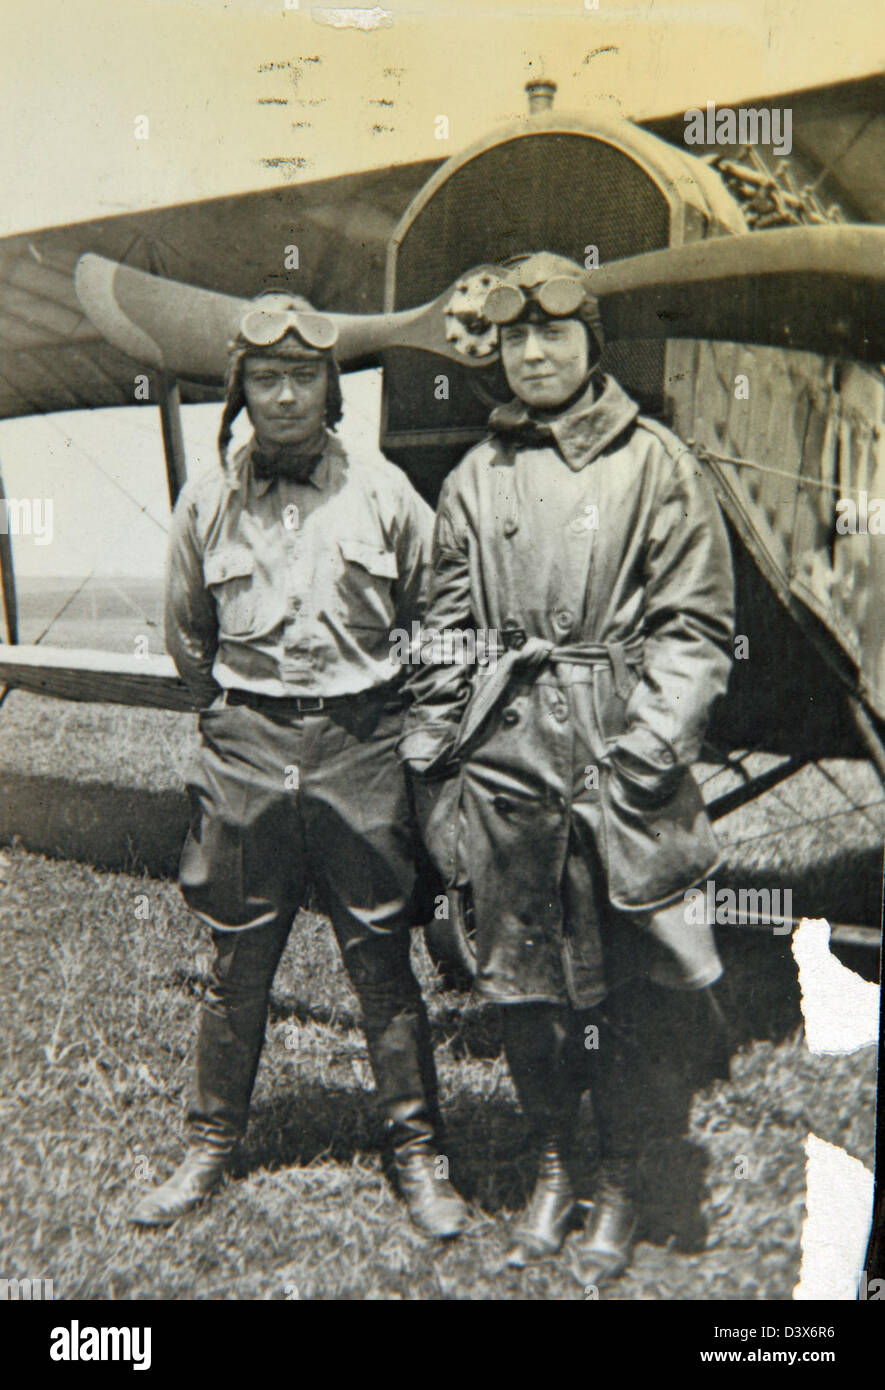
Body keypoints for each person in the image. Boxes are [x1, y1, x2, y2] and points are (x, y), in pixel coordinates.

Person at [398, 253, 735, 1285]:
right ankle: (552, 1166)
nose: (534, 352)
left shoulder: (656, 461)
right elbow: (445, 630)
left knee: (631, 985)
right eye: (515, 338)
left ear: (593, 343)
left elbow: (696, 623)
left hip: (618, 756)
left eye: (554, 333)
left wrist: (646, 744)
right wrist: (432, 746)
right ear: (495, 352)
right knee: (522, 983)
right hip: (507, 763)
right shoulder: (474, 476)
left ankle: (627, 1182)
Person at [131, 291, 469, 1239]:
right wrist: (237, 721)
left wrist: (412, 725)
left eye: (305, 378)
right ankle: (207, 1145)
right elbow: (187, 636)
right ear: (241, 393)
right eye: (267, 380)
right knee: (238, 958)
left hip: (362, 745)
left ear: (332, 389)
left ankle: (417, 1158)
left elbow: (439, 614)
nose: (286, 397)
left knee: (383, 962)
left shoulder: (384, 492)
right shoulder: (207, 500)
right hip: (248, 744)